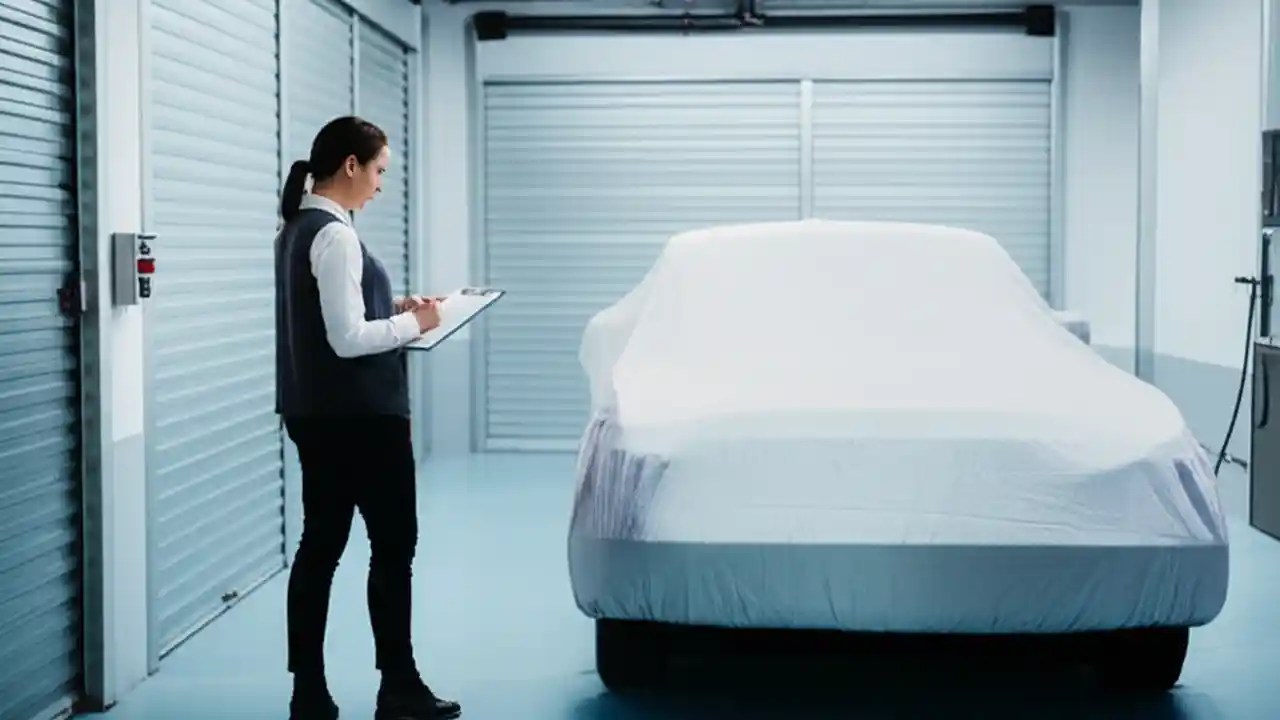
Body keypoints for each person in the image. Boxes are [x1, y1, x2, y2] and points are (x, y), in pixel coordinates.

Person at [275, 115, 461, 720]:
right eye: (379, 169)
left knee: (320, 546)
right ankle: (400, 688)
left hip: (314, 413)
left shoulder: (297, 229)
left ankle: (309, 693)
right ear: (351, 166)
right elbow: (350, 338)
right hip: (363, 419)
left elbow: (335, 315)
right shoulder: (336, 235)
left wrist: (397, 303)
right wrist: (418, 323)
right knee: (393, 547)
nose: (382, 183)